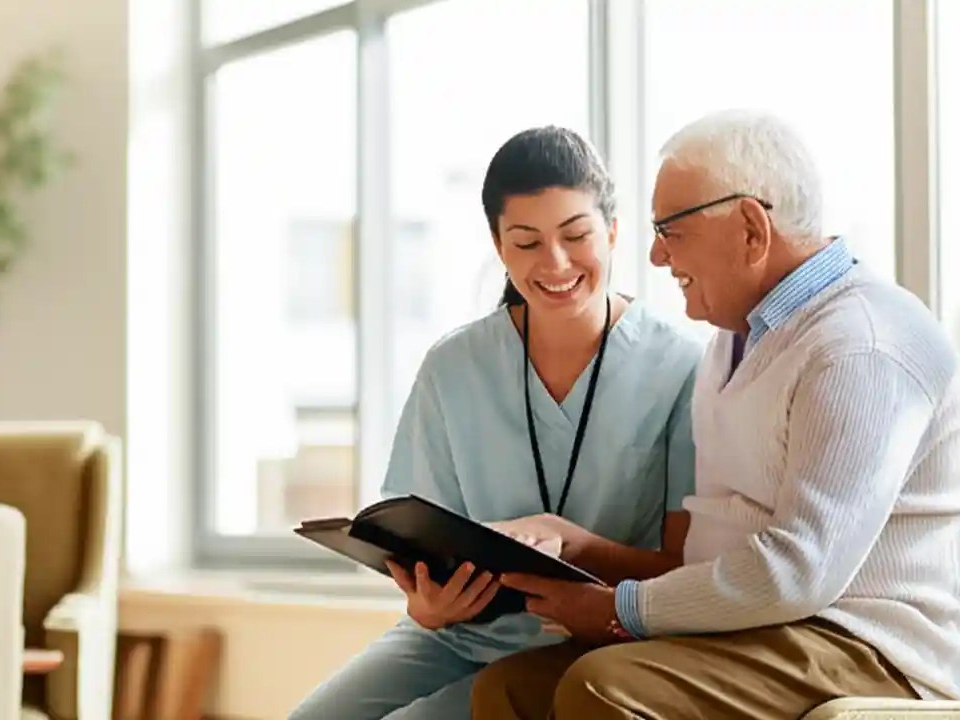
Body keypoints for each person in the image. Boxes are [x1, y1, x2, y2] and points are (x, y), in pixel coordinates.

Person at [470, 109, 960, 719]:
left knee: (603, 685)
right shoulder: (733, 342)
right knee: (508, 689)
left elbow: (801, 571)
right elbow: (719, 553)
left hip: (871, 648)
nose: (656, 256)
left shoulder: (861, 344)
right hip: (761, 629)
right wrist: (584, 554)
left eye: (671, 229)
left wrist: (620, 609)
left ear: (749, 228)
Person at [288, 125, 705, 720]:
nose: (555, 262)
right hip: (453, 634)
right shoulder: (452, 367)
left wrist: (576, 543)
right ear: (499, 246)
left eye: (576, 234)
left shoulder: (681, 367)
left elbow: (682, 568)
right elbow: (416, 537)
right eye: (527, 242)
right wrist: (426, 604)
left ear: (612, 233)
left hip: (588, 641)